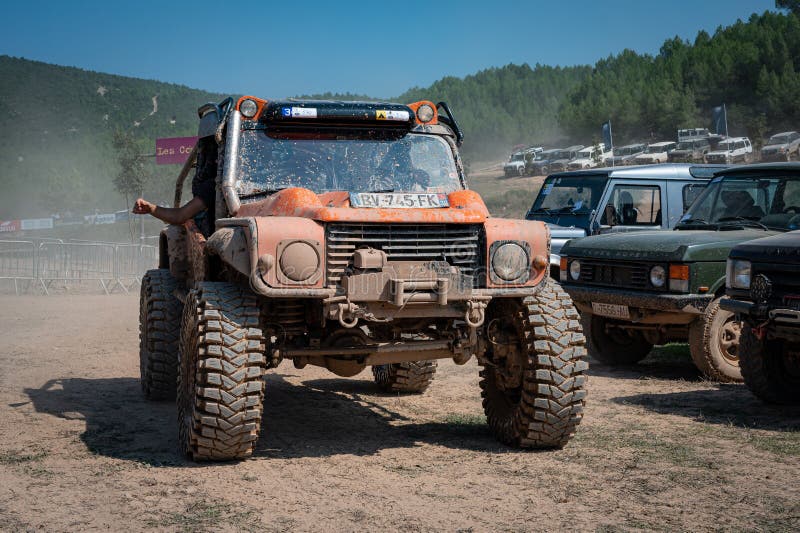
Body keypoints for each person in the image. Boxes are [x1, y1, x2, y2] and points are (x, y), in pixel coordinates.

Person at [132, 137, 217, 233]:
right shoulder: (215, 186)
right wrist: (150, 208)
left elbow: (180, 216)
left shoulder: (215, 186)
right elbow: (180, 215)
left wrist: (150, 208)